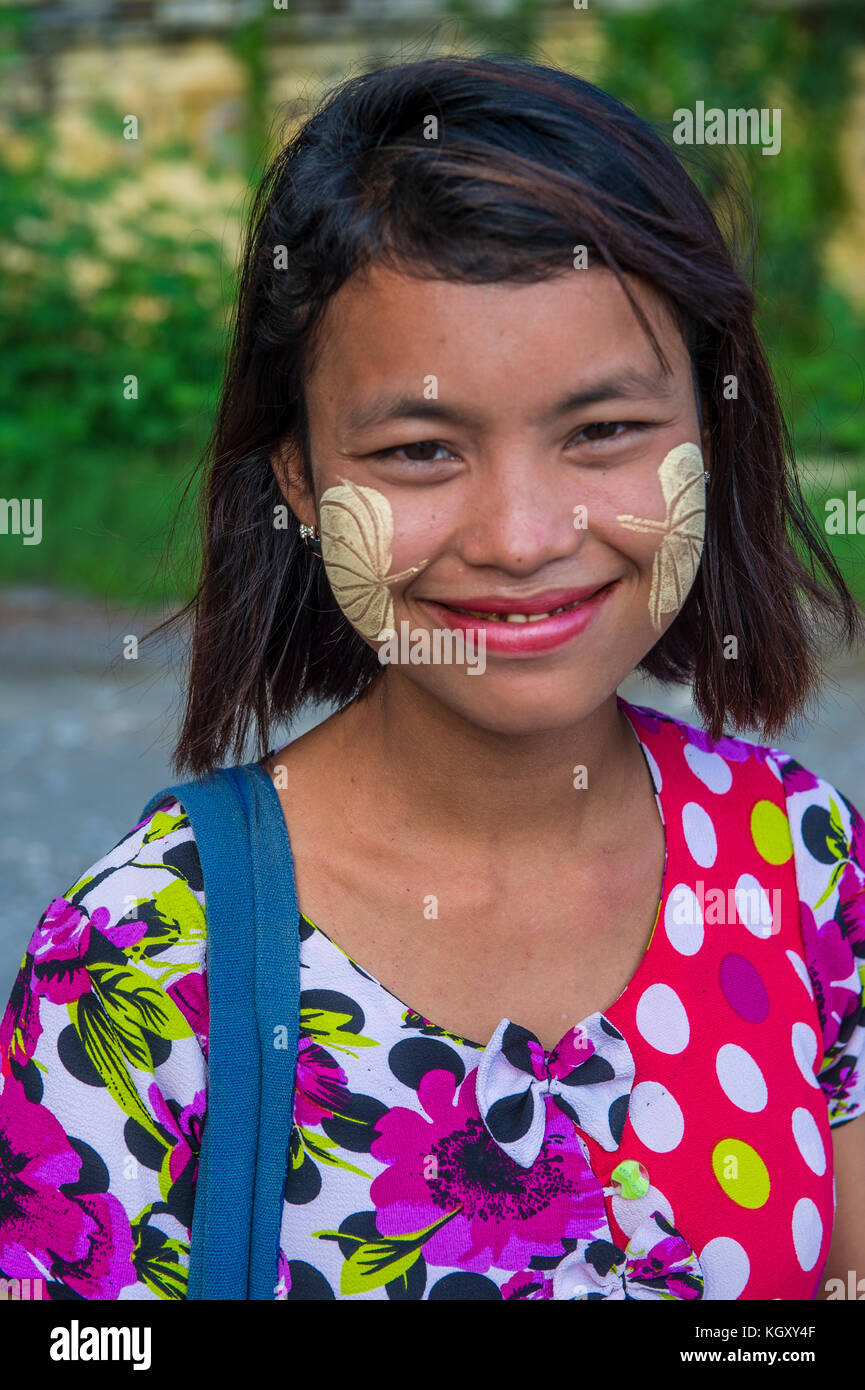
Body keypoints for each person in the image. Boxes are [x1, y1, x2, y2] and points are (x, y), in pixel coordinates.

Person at [1, 53, 863, 1303]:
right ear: (296, 476)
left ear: (714, 433)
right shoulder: (136, 968)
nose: (519, 537)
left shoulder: (799, 864)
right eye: (417, 450)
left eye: (604, 432)